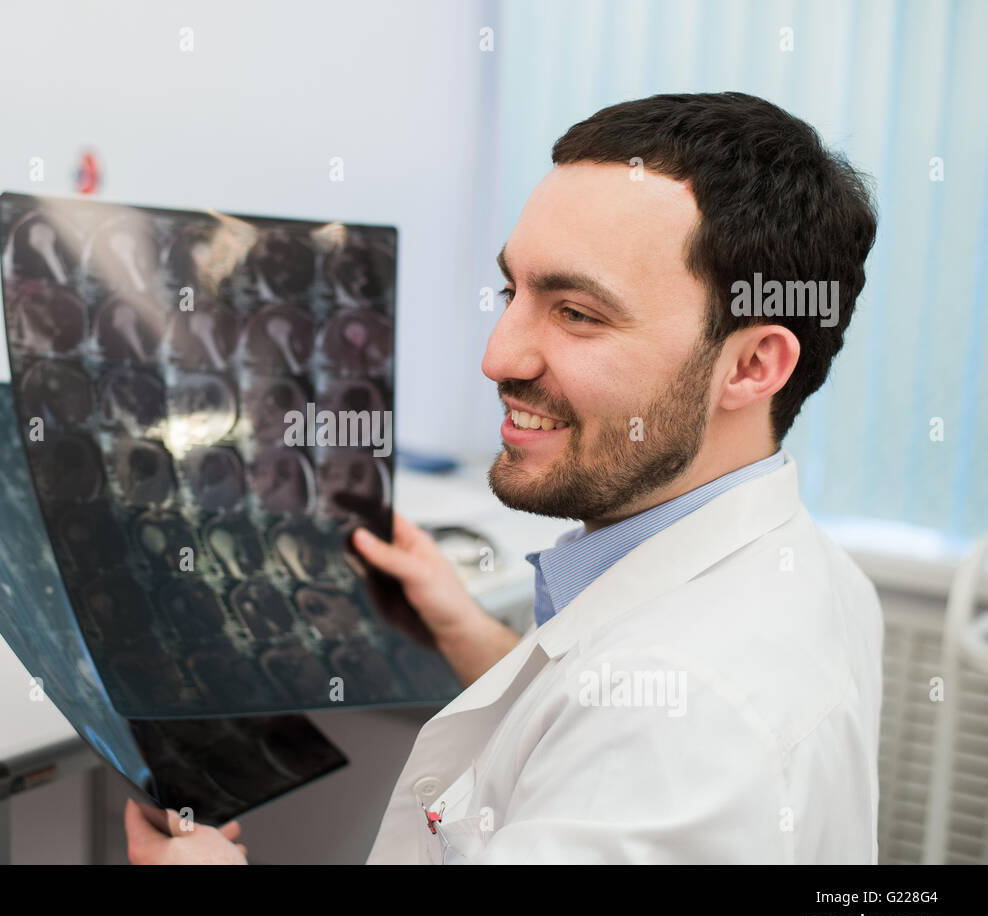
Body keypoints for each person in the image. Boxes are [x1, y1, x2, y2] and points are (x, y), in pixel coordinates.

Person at [126, 91, 882, 864]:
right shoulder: (807, 569)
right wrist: (471, 635)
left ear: (753, 365)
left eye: (578, 312)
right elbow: (583, 716)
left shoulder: (684, 730)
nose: (498, 356)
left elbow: (632, 725)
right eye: (512, 292)